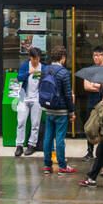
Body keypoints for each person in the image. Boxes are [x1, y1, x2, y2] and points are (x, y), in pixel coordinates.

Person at [40, 46, 75, 174]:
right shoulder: (64, 73)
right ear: (63, 58)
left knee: (48, 137)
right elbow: (67, 94)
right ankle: (62, 165)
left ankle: (47, 165)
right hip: (61, 110)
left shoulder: (45, 70)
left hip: (48, 108)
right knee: (60, 138)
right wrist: (72, 111)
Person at [14, 45, 43, 157]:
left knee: (35, 123)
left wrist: (43, 78)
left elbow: (48, 81)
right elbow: (19, 78)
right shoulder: (25, 66)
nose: (36, 61)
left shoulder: (43, 68)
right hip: (24, 97)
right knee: (21, 122)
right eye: (34, 58)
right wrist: (29, 73)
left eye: (38, 58)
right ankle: (19, 145)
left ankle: (32, 144)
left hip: (37, 98)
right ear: (30, 57)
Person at [82, 47, 103, 162]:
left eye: (99, 55)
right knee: (90, 127)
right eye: (94, 55)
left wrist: (96, 85)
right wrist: (99, 86)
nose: (96, 57)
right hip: (91, 103)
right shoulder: (89, 70)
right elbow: (86, 86)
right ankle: (90, 151)